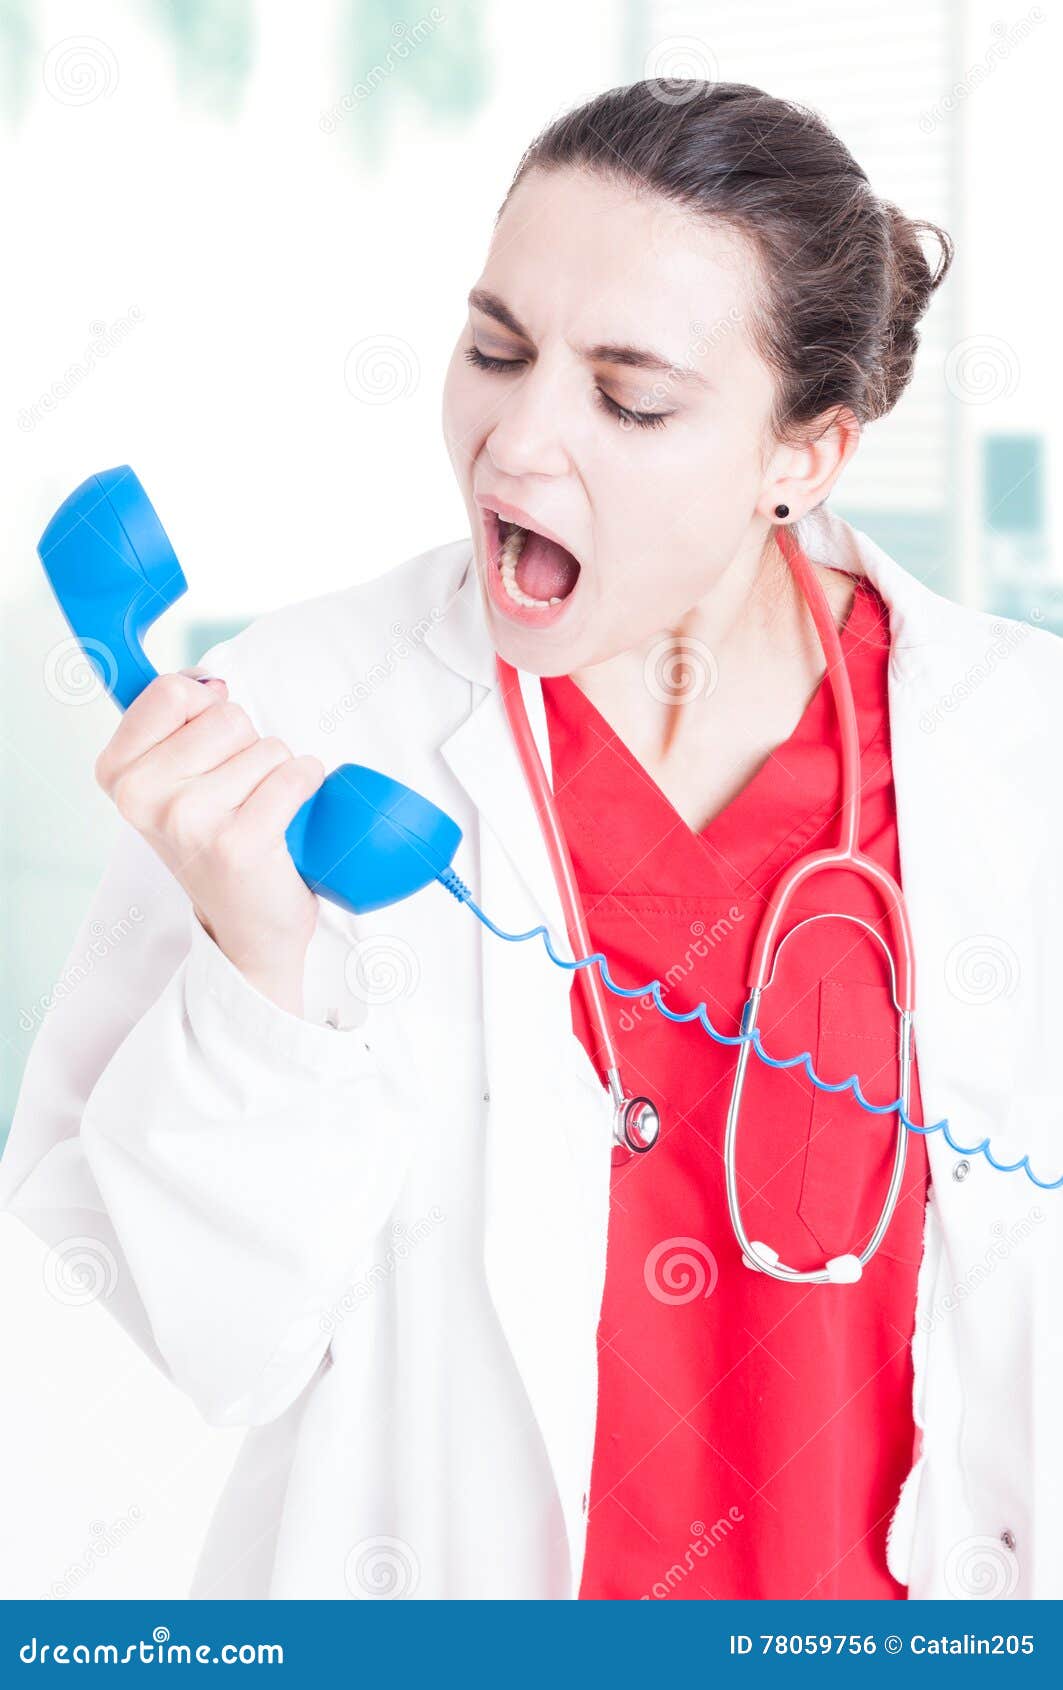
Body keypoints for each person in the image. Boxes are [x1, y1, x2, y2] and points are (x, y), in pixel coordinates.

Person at [3, 80, 1061, 1601]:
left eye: (630, 399)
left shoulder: (1022, 749)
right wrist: (254, 980)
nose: (516, 439)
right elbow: (162, 1364)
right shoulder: (293, 727)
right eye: (496, 348)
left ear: (806, 456)